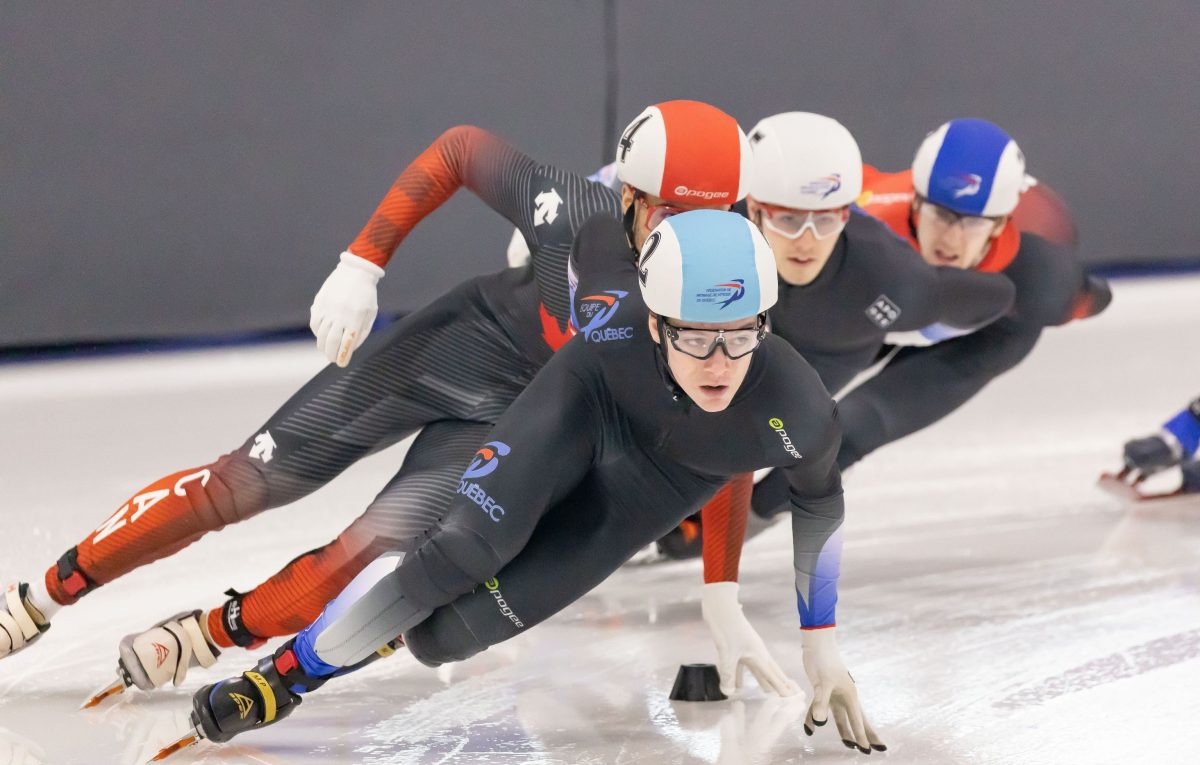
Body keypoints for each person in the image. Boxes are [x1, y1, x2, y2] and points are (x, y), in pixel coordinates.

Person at [0, 102, 752, 693]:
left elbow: (730, 432)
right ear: (625, 197)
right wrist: (362, 260)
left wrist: (722, 584)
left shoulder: (728, 293)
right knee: (242, 482)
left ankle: (213, 634)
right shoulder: (571, 213)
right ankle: (43, 595)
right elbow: (461, 148)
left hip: (520, 418)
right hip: (461, 344)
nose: (688, 243)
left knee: (366, 552)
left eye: (713, 219)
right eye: (668, 217)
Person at [160, 210, 885, 759]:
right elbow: (594, 234)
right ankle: (286, 674)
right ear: (656, 323)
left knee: (443, 638)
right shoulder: (612, 323)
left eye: (741, 333)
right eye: (696, 335)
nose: (721, 361)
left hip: (655, 486)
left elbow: (819, 501)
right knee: (461, 551)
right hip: (583, 405)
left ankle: (383, 622)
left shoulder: (799, 406)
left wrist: (820, 643)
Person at [655, 113, 1016, 579]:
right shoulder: (710, 218)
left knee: (832, 432)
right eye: (786, 218)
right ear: (754, 207)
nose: (805, 239)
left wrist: (930, 336)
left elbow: (1003, 300)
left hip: (841, 337)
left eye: (824, 221)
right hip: (811, 319)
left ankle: (711, 532)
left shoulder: (897, 279)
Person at [745, 118, 1112, 535]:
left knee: (850, 429)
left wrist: (1081, 298)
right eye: (940, 213)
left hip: (984, 333)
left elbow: (1095, 297)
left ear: (999, 224)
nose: (950, 238)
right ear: (916, 202)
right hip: (884, 306)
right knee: (775, 405)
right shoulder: (870, 217)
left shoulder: (1041, 278)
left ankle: (712, 535)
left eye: (972, 222)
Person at [1119, 396, 1200, 493]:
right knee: (1165, 455)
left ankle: (1190, 487)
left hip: (1176, 441)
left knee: (1171, 457)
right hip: (1176, 441)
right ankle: (1191, 487)